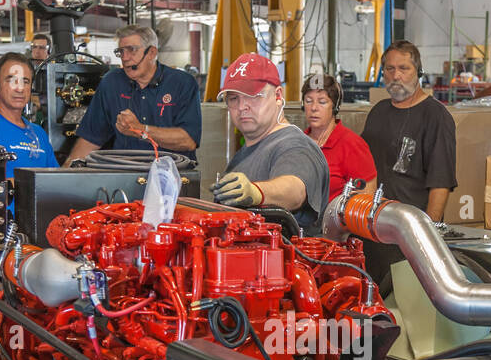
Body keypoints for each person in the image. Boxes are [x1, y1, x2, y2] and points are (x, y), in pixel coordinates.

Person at [211, 52, 328, 235]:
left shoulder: (295, 145)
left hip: (283, 262)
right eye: (234, 98)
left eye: (253, 95)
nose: (242, 106)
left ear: (278, 96)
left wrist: (256, 192)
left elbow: (294, 190)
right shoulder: (247, 151)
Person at [65, 24, 201, 165]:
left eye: (131, 50)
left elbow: (188, 140)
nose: (125, 58)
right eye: (121, 52)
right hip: (126, 175)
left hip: (173, 174)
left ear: (152, 53)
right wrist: (65, 174)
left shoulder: (182, 83)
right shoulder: (111, 83)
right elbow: (91, 138)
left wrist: (141, 130)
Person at [362, 40, 457, 222]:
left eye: (403, 68)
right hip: (376, 224)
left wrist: (428, 232)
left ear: (418, 72)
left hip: (411, 227)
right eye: (390, 69)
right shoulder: (378, 112)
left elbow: (440, 182)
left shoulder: (436, 116)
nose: (396, 75)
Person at [0, 52, 58, 212]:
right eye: (11, 80)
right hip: (2, 231)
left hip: (41, 226)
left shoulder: (39, 133)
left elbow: (56, 182)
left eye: (25, 81)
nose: (19, 88)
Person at [301, 71, 376, 202]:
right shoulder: (297, 142)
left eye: (322, 102)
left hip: (334, 221)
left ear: (335, 107)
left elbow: (366, 201)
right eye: (308, 101)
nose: (313, 108)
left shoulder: (353, 145)